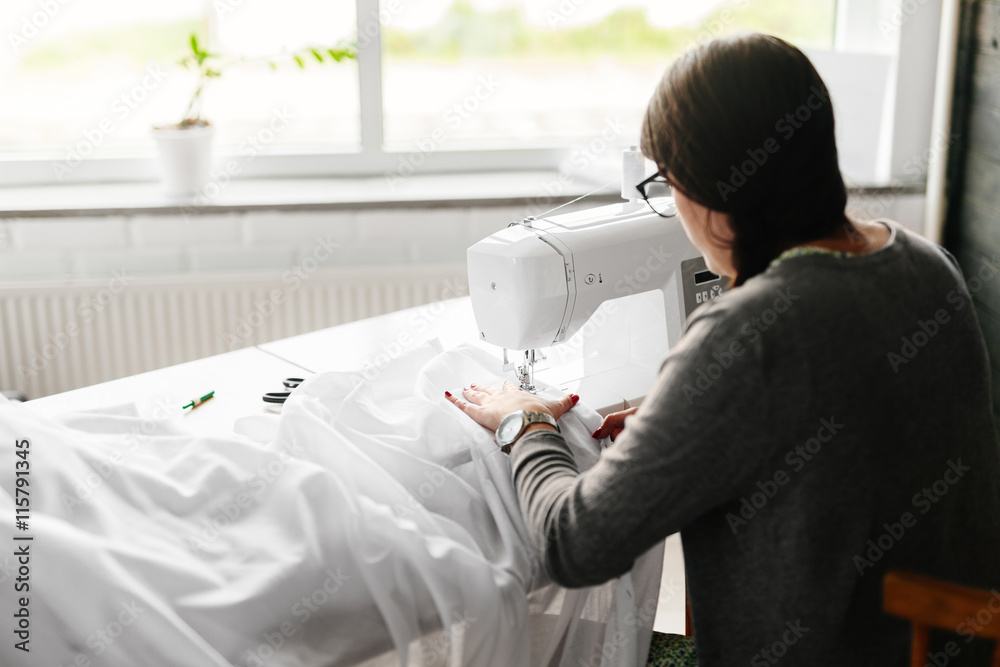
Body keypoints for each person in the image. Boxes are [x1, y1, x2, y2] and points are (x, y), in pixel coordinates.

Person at [446, 32, 1000, 666]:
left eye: (667, 182)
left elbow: (574, 546)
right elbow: (855, 410)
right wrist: (687, 412)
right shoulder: (927, 264)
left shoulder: (749, 335)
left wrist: (527, 421)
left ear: (714, 192)